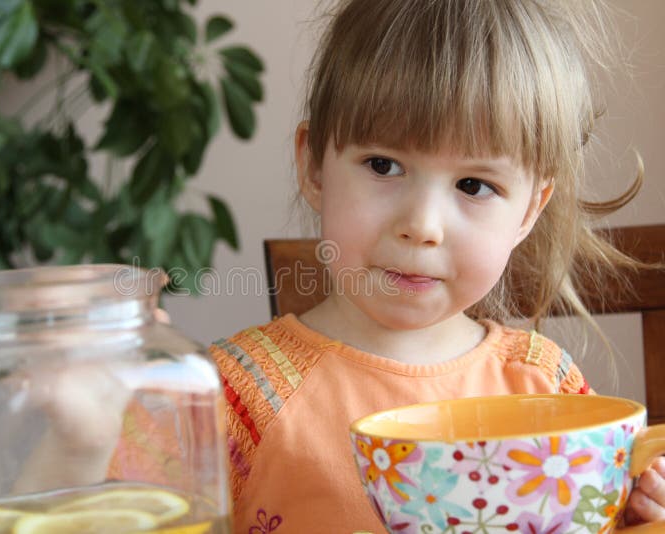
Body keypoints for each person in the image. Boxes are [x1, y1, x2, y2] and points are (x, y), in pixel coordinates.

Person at [207, 0, 665, 531]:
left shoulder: (547, 387)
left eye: (474, 185)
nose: (422, 224)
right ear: (314, 167)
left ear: (529, 211)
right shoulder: (230, 400)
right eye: (383, 165)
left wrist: (638, 515)